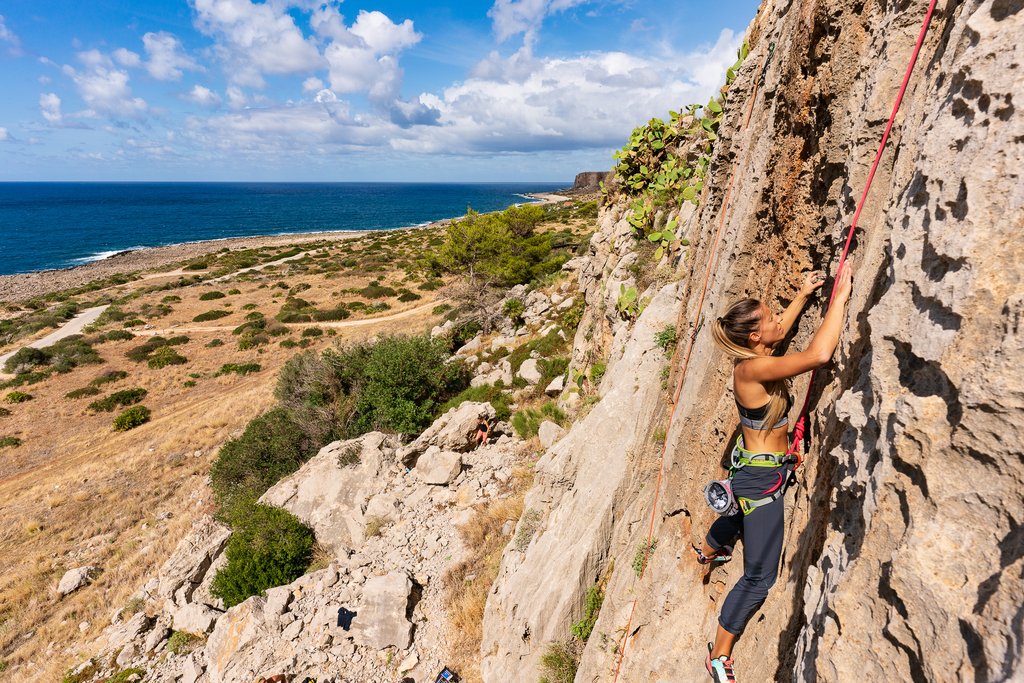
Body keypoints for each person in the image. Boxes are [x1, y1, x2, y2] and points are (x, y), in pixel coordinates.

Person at [699, 264, 854, 683]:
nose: (777, 320)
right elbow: (817, 356)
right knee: (759, 577)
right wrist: (839, 299)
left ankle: (710, 550)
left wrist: (804, 294)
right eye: (768, 318)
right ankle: (719, 654)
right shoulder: (752, 370)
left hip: (752, 471)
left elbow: (782, 327)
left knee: (737, 518)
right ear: (754, 336)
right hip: (761, 482)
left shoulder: (754, 356)